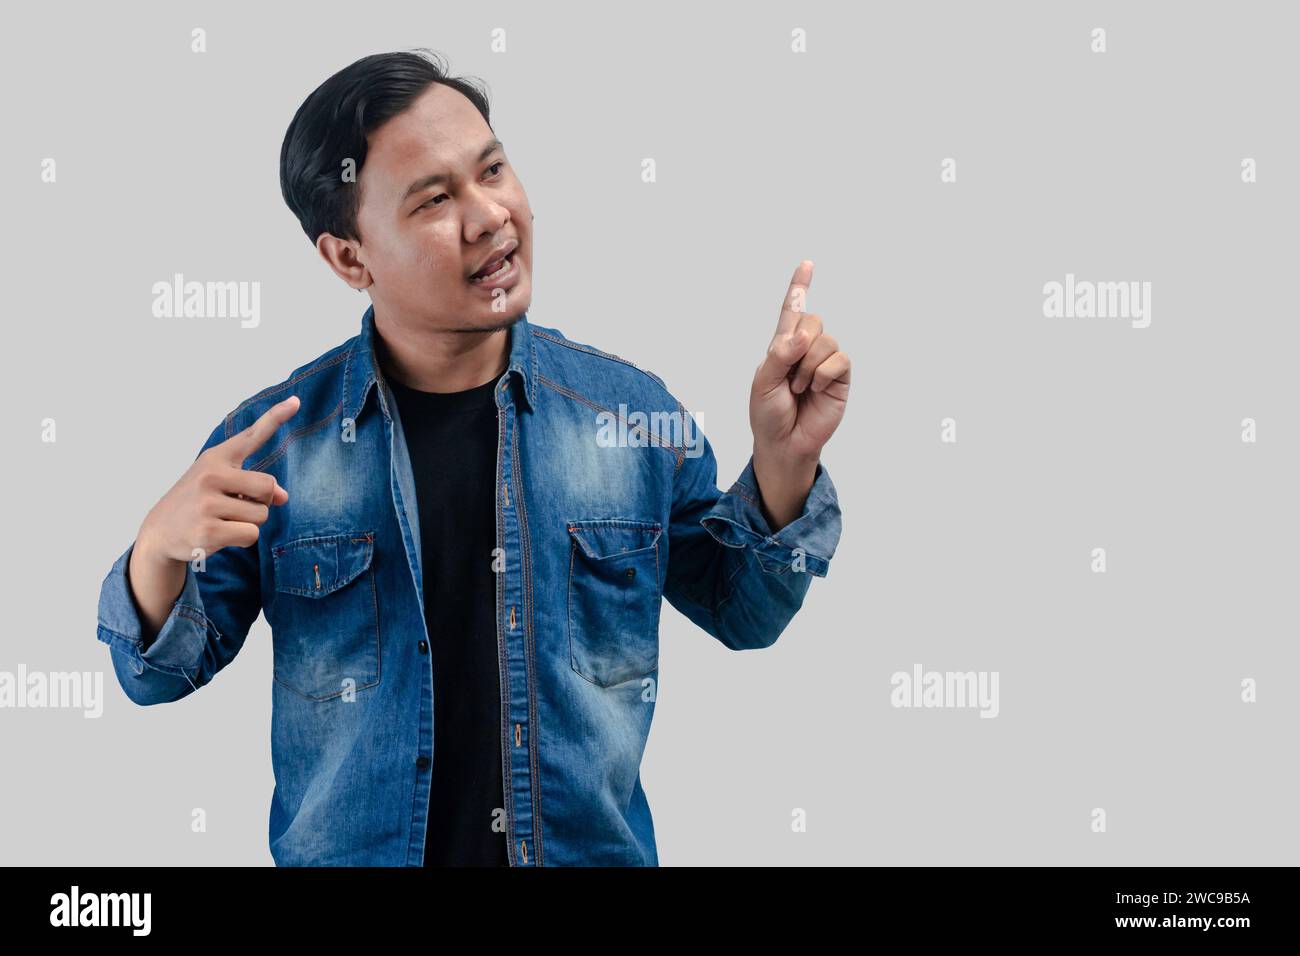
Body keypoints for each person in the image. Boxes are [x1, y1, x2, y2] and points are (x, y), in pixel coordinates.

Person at [95, 48, 849, 866]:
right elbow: (157, 677)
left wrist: (783, 463)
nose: (489, 215)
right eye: (434, 200)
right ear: (349, 258)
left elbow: (743, 614)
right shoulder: (273, 446)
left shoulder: (629, 418)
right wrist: (157, 550)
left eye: (492, 169)